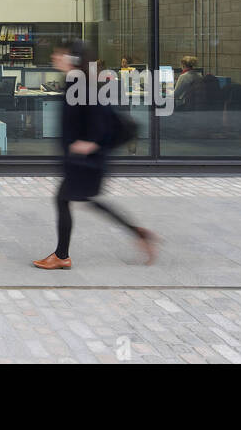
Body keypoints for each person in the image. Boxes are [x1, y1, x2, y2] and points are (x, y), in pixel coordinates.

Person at [33, 38, 156, 270]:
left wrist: (89, 143)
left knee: (65, 200)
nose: (54, 57)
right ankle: (137, 233)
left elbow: (98, 118)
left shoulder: (81, 84)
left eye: (59, 53)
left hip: (86, 161)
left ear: (72, 59)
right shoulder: (75, 81)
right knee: (80, 201)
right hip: (81, 160)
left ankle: (62, 256)